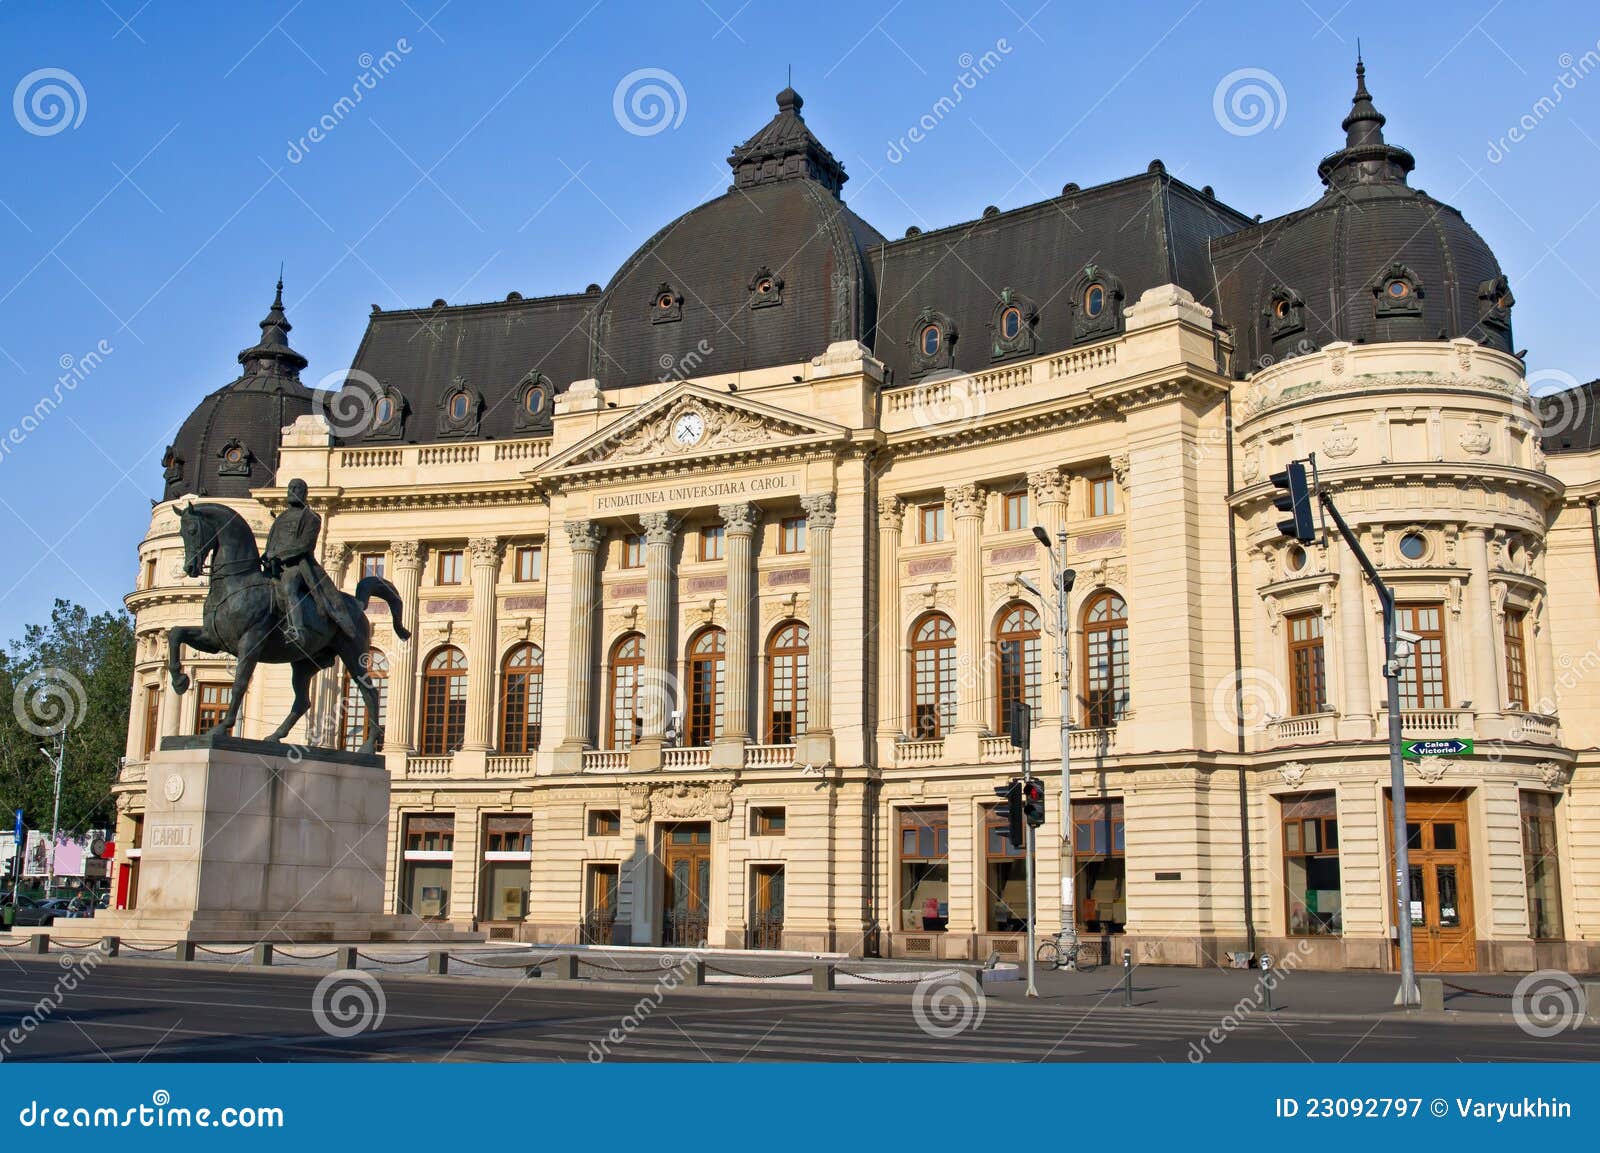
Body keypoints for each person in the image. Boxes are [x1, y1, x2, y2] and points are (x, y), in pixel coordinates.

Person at [264, 478, 358, 644]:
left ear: (305, 494)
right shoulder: (281, 517)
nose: (292, 490)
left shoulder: (311, 517)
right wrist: (267, 555)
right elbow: (271, 542)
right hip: (276, 566)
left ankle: (297, 630)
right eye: (290, 487)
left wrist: (280, 556)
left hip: (298, 566)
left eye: (297, 488)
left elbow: (304, 546)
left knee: (289, 588)